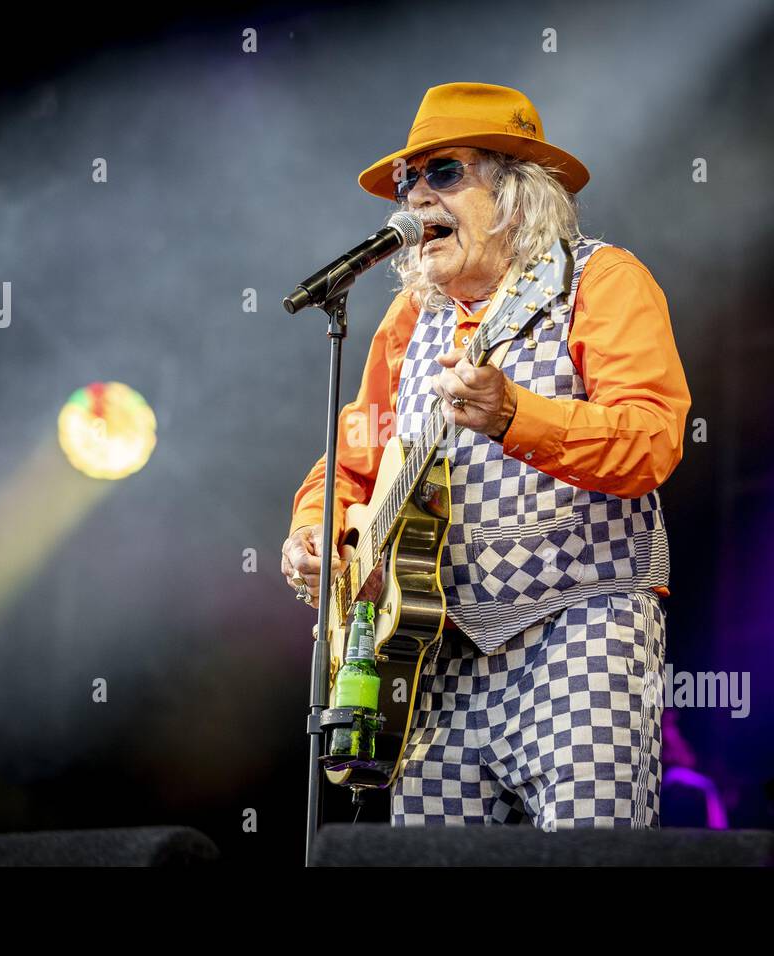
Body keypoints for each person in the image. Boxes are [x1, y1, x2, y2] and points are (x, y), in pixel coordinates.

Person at [281, 82, 691, 828]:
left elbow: (653, 438)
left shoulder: (599, 280)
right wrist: (319, 529)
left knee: (588, 851)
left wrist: (514, 415)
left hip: (581, 628)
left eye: (444, 173)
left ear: (517, 191)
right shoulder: (409, 320)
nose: (414, 196)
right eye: (408, 180)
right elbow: (352, 461)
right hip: (433, 653)